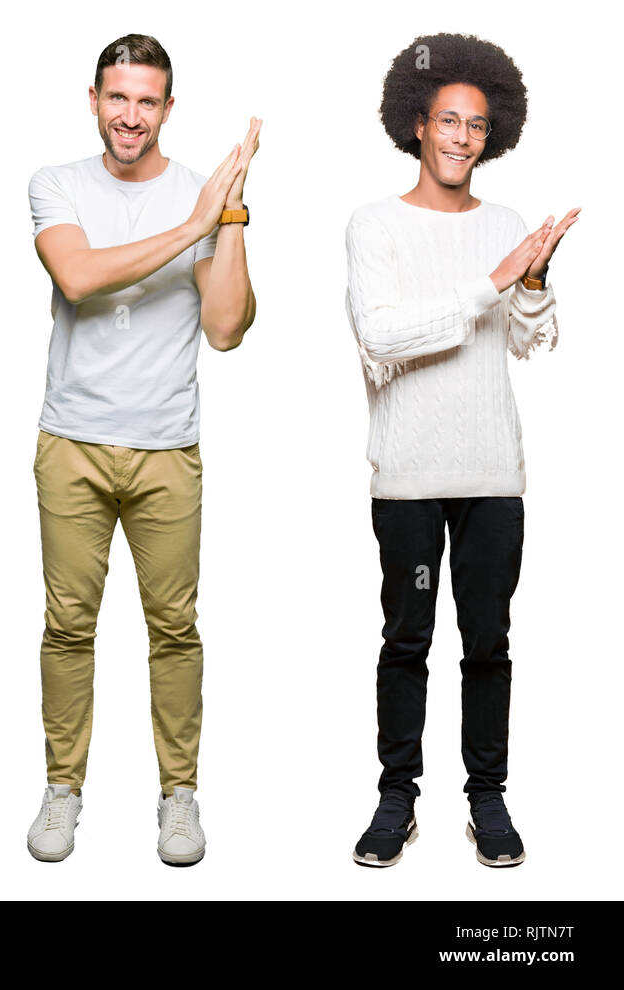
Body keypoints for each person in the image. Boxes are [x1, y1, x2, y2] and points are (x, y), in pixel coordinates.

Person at [25, 33, 259, 865]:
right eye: (116, 98)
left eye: (147, 101)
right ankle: (62, 789)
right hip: (74, 446)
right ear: (94, 100)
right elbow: (80, 277)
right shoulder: (57, 184)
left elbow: (226, 329)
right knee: (68, 627)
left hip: (166, 447)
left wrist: (226, 216)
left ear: (167, 108)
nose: (131, 116)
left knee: (175, 627)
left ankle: (179, 794)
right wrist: (193, 223)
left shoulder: (205, 195)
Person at [346, 32, 577, 869]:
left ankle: (488, 797)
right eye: (447, 121)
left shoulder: (509, 226)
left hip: (492, 475)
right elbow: (385, 337)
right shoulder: (374, 226)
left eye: (476, 126)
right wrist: (492, 280)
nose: (460, 138)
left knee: (489, 641)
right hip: (408, 476)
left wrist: (537, 277)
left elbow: (528, 339)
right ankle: (396, 797)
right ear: (416, 124)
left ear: (492, 134)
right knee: (406, 641)